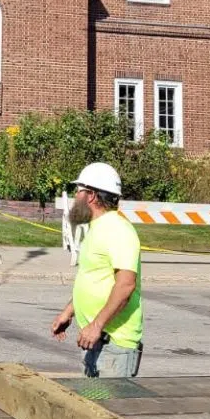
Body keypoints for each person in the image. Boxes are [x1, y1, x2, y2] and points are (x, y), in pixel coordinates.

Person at [51, 161, 143, 378]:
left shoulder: (118, 229)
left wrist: (96, 325)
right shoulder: (98, 228)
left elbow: (125, 285)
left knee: (106, 411)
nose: (76, 198)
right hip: (96, 340)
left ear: (91, 195)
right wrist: (69, 312)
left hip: (114, 345)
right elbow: (95, 279)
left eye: (78, 192)